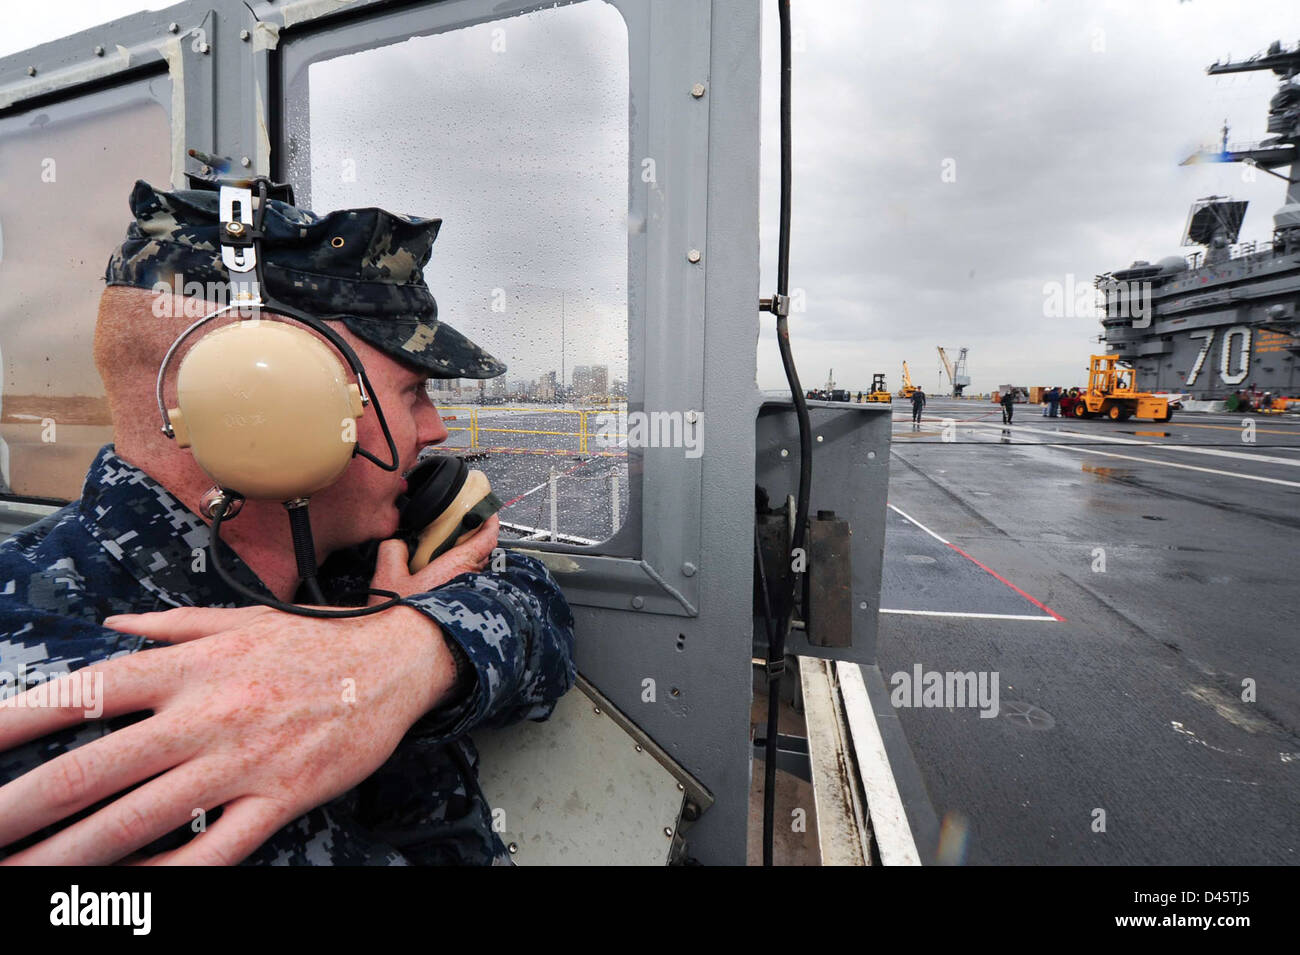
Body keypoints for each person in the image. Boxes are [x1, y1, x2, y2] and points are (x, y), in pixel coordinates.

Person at [0, 178, 576, 865]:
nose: (436, 430)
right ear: (268, 402)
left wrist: (409, 647)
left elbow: (536, 605)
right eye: (413, 391)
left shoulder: (347, 561)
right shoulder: (76, 694)